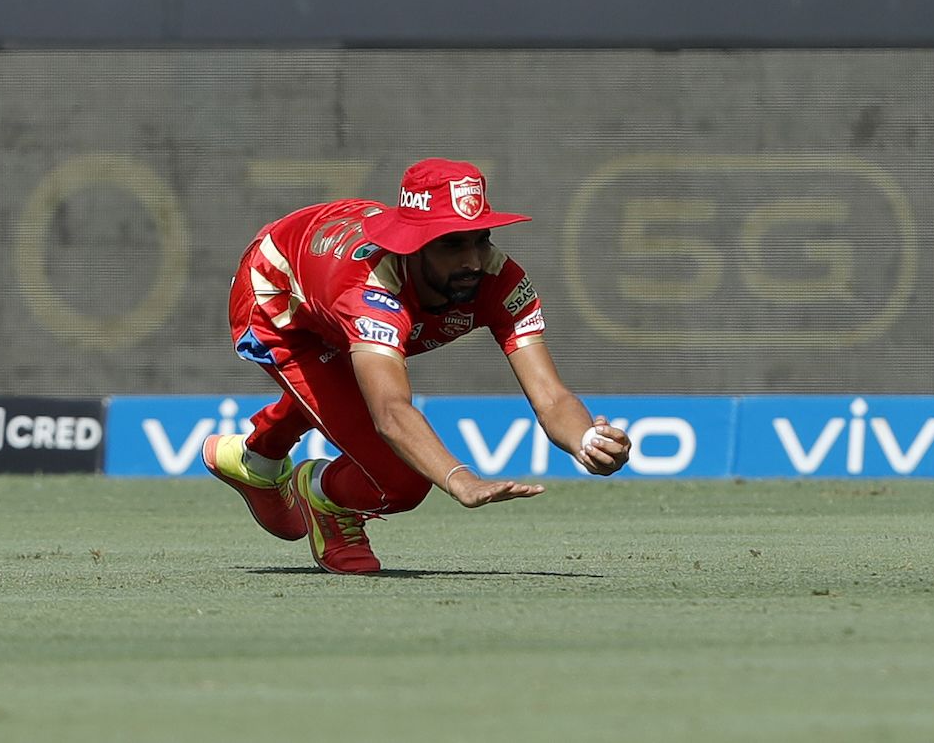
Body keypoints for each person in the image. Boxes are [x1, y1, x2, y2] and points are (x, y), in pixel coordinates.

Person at [200, 158, 632, 574]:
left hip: (325, 271)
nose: (474, 262)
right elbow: (390, 413)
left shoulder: (500, 280)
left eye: (480, 238)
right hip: (278, 297)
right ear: (411, 243)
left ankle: (257, 460)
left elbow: (551, 396)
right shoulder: (369, 296)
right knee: (402, 482)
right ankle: (322, 496)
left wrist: (587, 441)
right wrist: (461, 480)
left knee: (352, 379)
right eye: (451, 244)